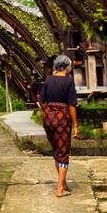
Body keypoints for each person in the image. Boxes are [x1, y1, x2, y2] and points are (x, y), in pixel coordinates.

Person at [39, 54, 79, 197]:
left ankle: (63, 182)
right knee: (63, 153)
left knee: (56, 150)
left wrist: (48, 112)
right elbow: (72, 105)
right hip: (63, 119)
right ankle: (60, 188)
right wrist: (75, 125)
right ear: (67, 67)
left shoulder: (48, 80)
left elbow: (41, 100)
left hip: (49, 119)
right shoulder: (68, 82)